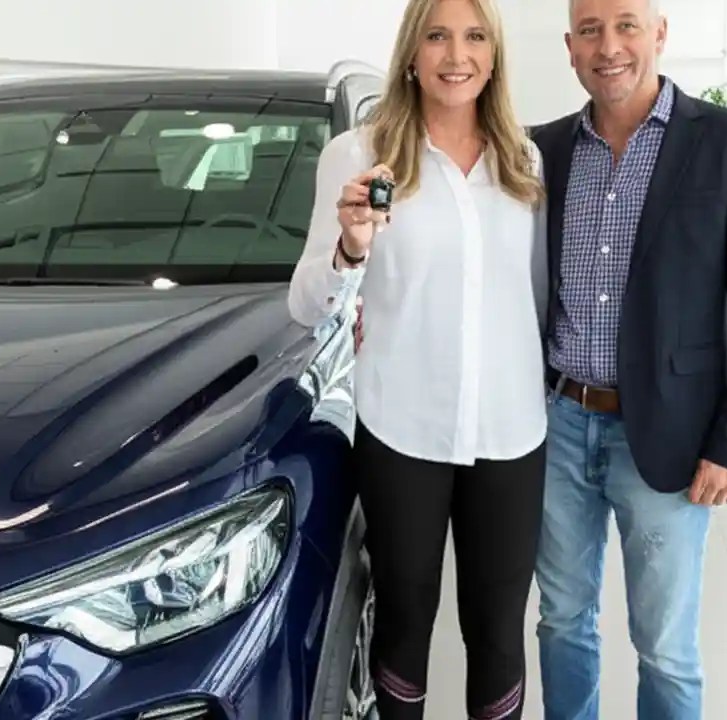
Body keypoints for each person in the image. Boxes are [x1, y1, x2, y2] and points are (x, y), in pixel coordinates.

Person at [528, 0, 727, 718]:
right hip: (556, 423)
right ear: (569, 46)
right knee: (561, 618)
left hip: (672, 434)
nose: (608, 45)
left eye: (625, 25)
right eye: (590, 30)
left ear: (659, 34)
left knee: (665, 645)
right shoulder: (542, 150)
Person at [287, 0, 549, 717]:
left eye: (473, 37)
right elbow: (305, 305)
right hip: (403, 428)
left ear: (493, 56)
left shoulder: (522, 160)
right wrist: (350, 250)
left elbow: (533, 295)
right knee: (404, 620)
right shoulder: (358, 155)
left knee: (497, 631)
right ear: (411, 52)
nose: (455, 54)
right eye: (437, 35)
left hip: (509, 429)